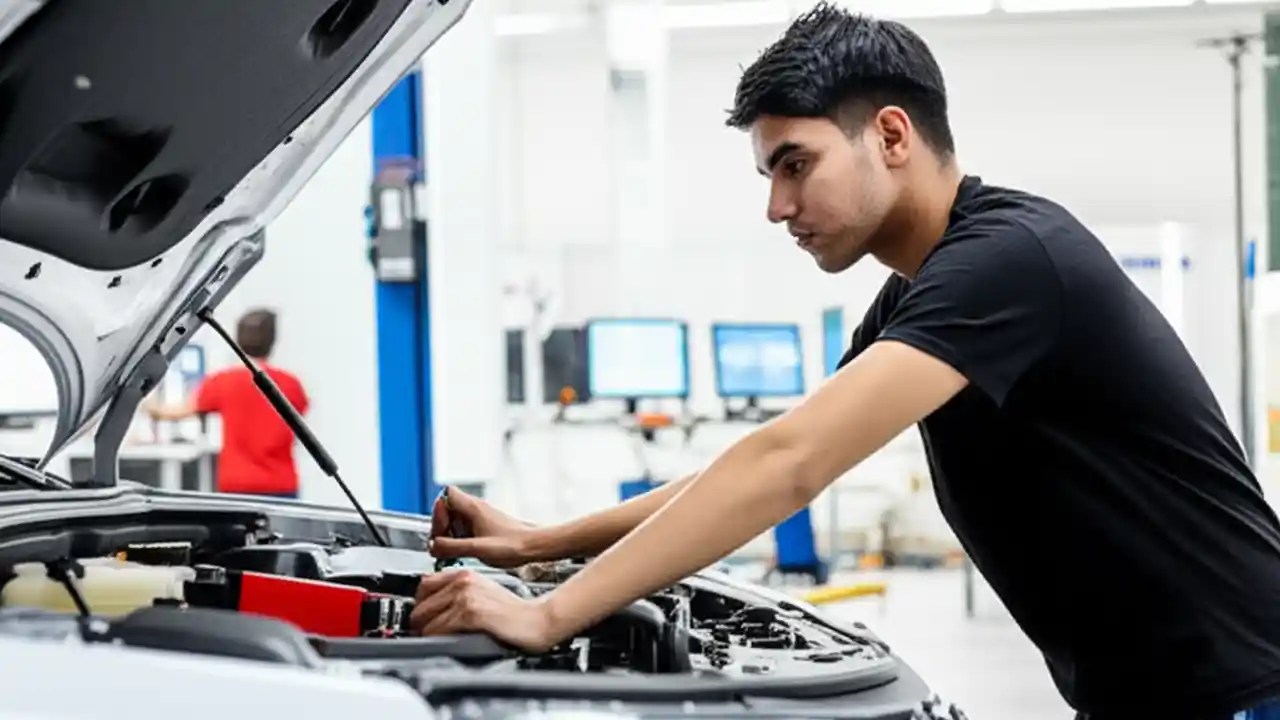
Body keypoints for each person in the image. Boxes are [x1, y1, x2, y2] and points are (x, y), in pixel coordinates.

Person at [410, 5, 1280, 718]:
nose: (779, 206)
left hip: (1244, 690)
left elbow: (789, 466)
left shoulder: (1012, 259)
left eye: (796, 165)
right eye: (767, 176)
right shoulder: (920, 292)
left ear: (892, 136)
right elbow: (761, 459)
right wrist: (538, 543)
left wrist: (553, 614)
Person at [145, 308, 309, 499]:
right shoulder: (291, 384)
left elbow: (171, 413)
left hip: (237, 484)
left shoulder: (222, 382)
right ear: (272, 340)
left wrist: (141, 397)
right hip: (281, 484)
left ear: (238, 339)